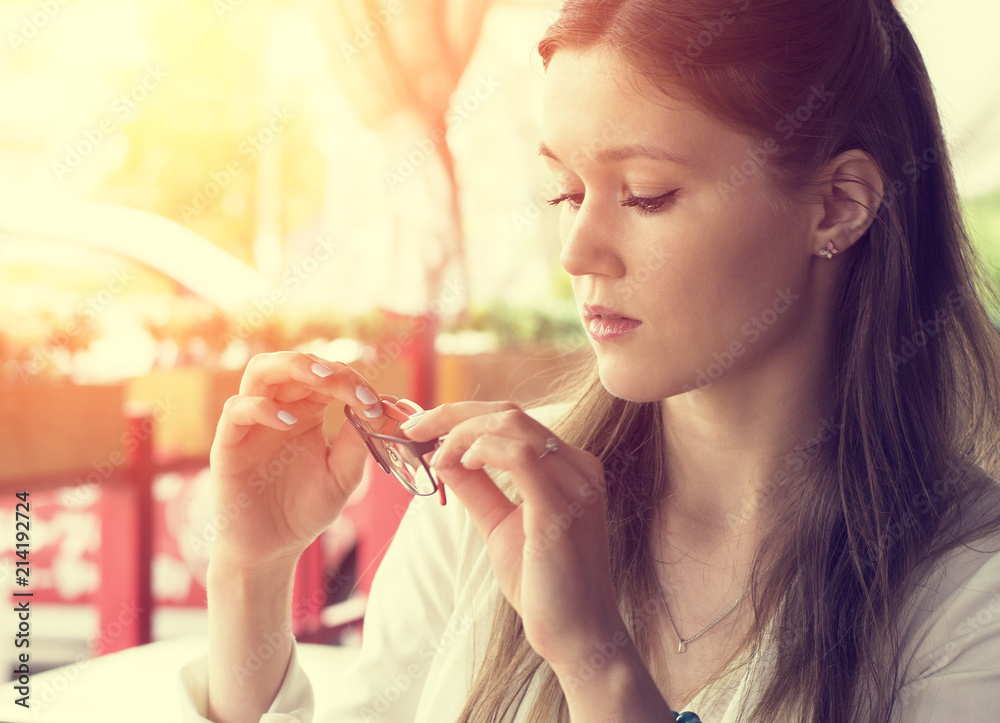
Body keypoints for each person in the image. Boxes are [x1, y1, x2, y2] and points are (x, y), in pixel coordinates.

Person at [181, 0, 1000, 720]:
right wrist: (252, 572)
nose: (577, 253)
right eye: (565, 193)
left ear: (837, 205)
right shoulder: (487, 502)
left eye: (646, 194)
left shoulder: (971, 595)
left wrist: (598, 663)